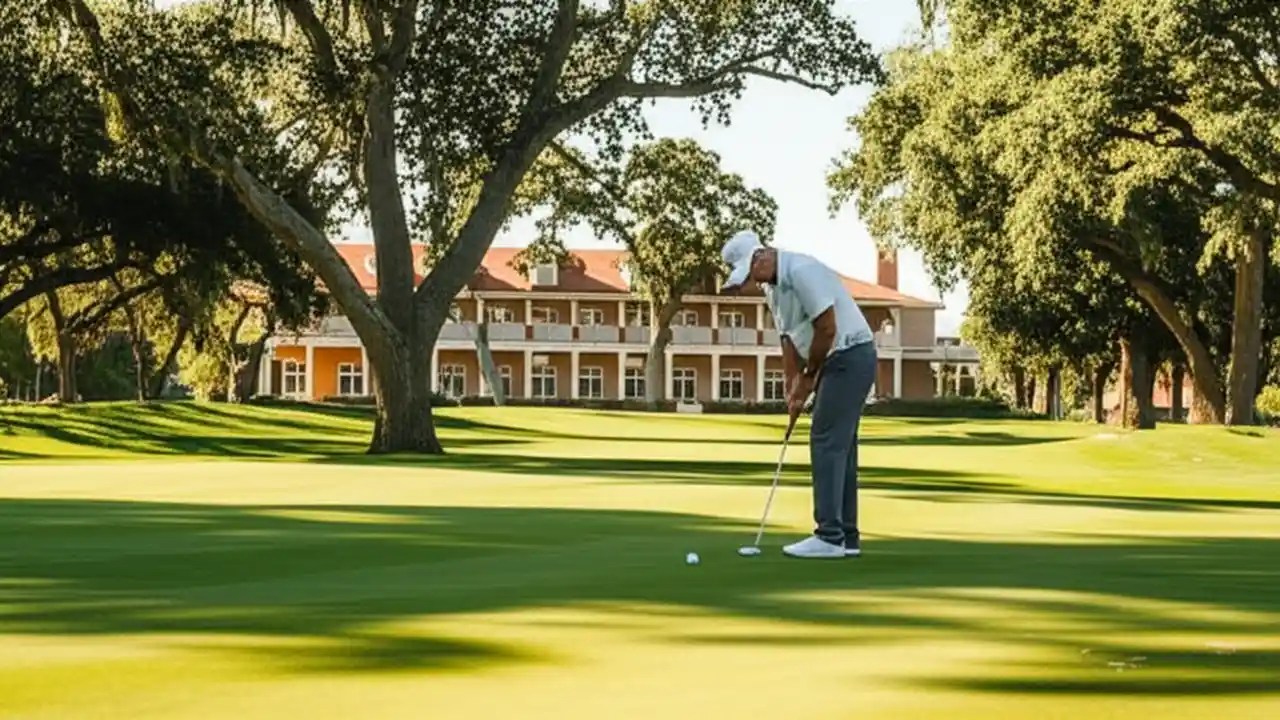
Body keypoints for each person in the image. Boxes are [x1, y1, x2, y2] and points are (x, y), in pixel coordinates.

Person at [721, 230, 878, 559]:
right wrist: (792, 386)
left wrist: (808, 378)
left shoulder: (803, 271)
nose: (751, 282)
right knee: (841, 447)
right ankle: (846, 538)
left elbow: (827, 327)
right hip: (836, 360)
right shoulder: (773, 286)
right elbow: (788, 339)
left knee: (825, 440)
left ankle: (829, 536)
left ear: (761, 256)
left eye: (750, 274)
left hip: (850, 355)